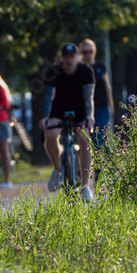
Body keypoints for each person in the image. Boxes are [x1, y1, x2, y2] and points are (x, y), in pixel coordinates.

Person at [41, 43, 95, 201]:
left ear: (77, 58)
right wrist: (45, 117)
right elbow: (49, 97)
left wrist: (90, 116)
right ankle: (57, 168)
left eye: (72, 57)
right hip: (58, 109)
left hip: (80, 110)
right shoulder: (54, 71)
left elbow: (88, 97)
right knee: (50, 134)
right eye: (66, 57)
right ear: (62, 58)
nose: (69, 60)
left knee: (85, 140)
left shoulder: (85, 71)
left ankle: (85, 186)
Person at [80, 38, 114, 148]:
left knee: (99, 137)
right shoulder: (79, 68)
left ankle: (101, 163)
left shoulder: (100, 66)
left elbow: (107, 86)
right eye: (85, 52)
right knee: (85, 138)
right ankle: (89, 163)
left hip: (101, 106)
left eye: (91, 51)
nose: (88, 54)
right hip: (85, 109)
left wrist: (111, 105)